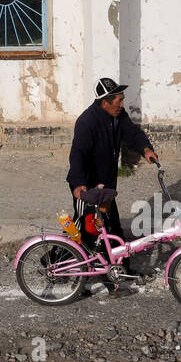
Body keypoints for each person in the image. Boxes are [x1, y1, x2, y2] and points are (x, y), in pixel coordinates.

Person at [66, 77, 159, 281]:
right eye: (119, 100)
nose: (122, 105)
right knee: (84, 233)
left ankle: (120, 272)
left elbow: (132, 133)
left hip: (106, 188)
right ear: (105, 102)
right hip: (88, 189)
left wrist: (145, 149)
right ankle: (54, 264)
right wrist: (79, 185)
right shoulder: (87, 122)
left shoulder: (117, 116)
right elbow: (77, 155)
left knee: (114, 229)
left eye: (122, 99)